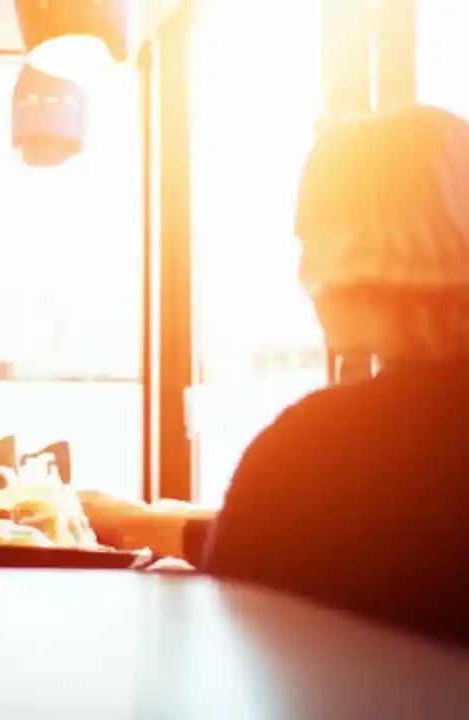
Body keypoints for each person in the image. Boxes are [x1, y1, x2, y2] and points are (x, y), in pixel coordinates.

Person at [80, 105, 469, 647]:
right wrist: (153, 516)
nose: (304, 271)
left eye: (312, 238)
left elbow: (260, 545)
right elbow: (344, 537)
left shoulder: (324, 443)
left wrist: (127, 521)